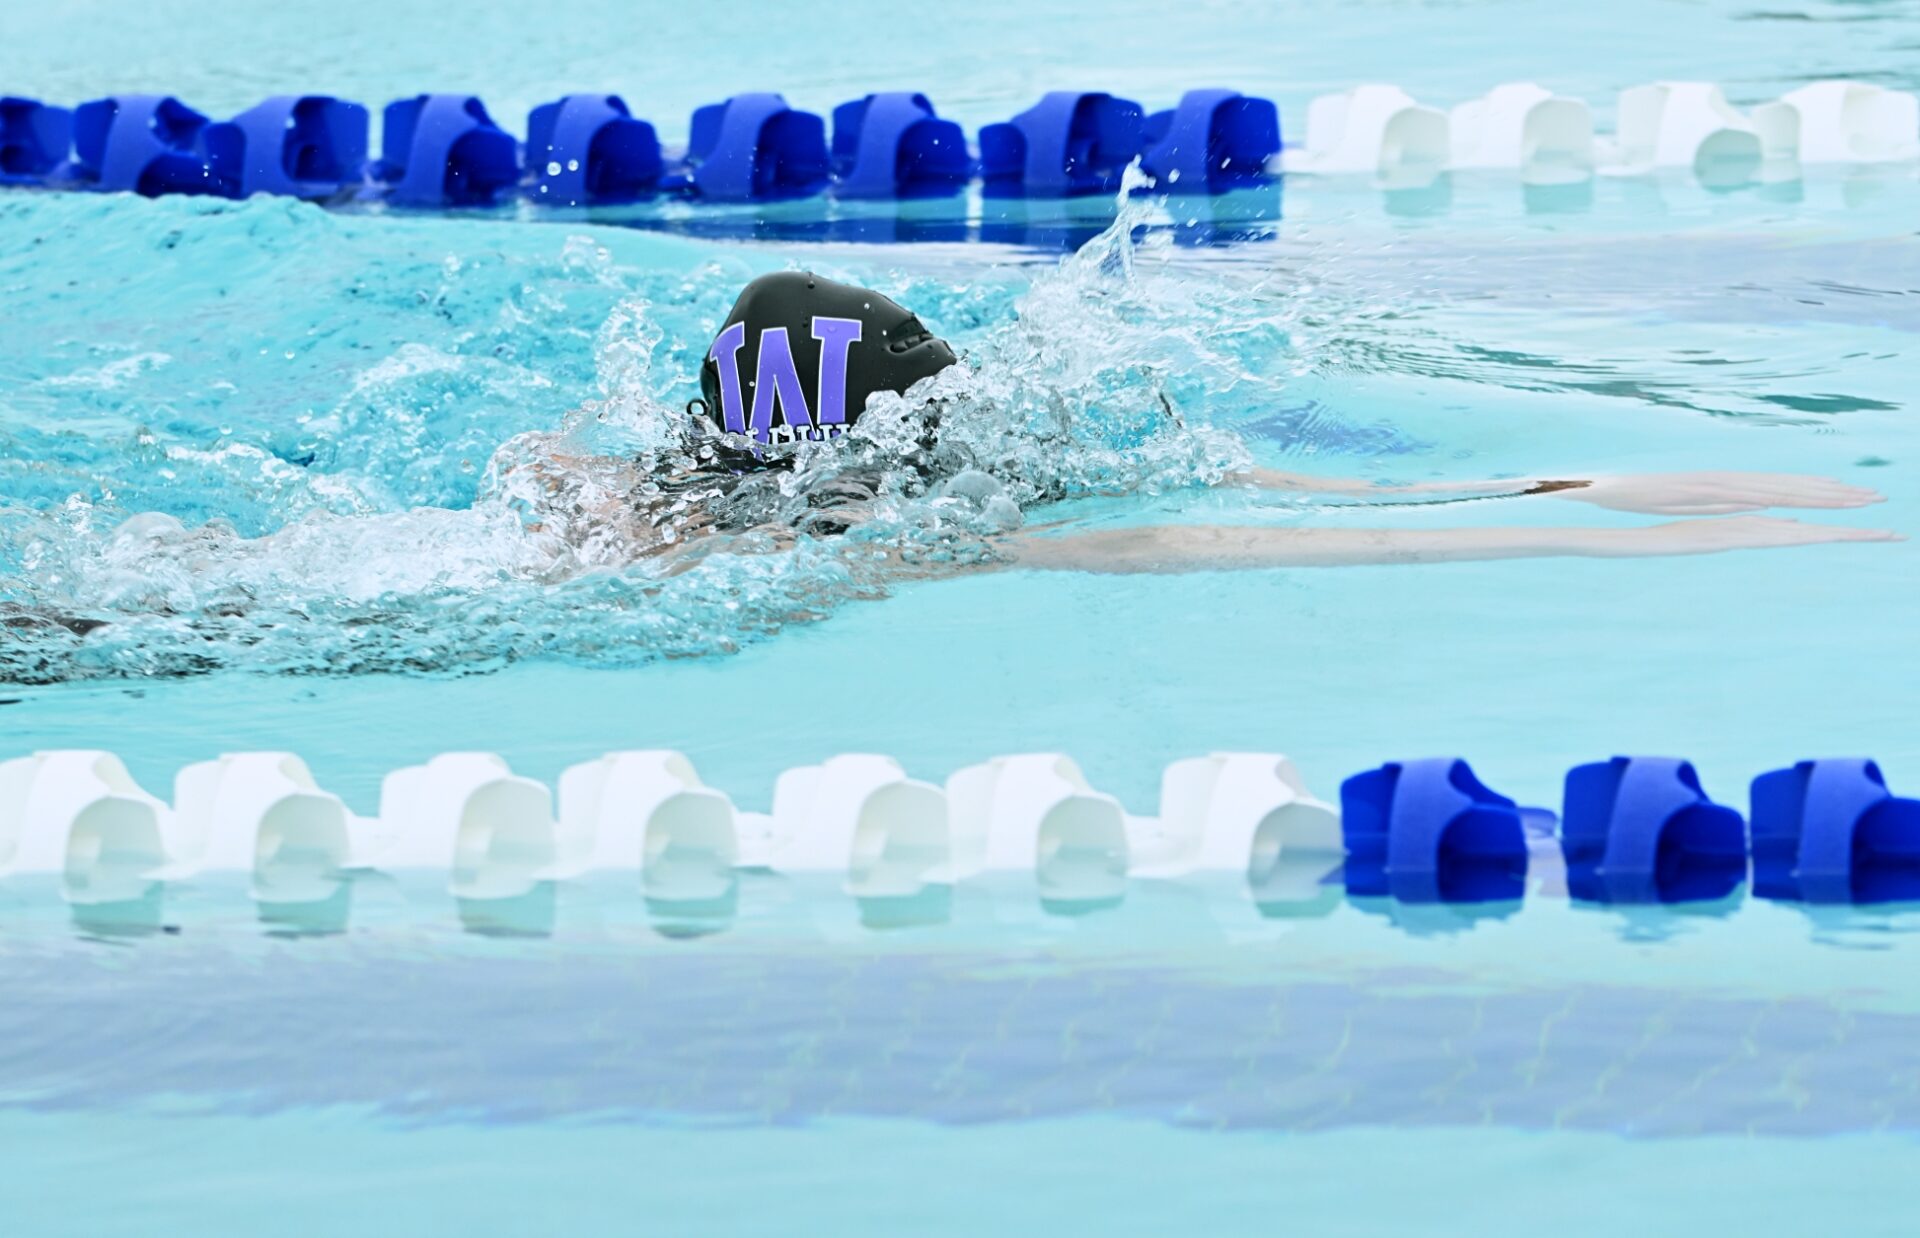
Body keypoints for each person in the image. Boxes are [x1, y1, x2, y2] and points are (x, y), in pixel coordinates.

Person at [612, 270, 1896, 574]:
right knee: (1397, 516)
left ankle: (1569, 498)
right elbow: (1277, 536)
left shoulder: (635, 498)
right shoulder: (929, 537)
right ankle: (1571, 497)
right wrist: (1570, 514)